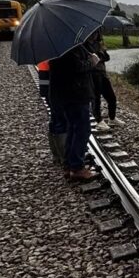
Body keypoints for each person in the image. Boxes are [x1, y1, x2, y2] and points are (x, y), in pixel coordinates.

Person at [48, 41, 100, 180]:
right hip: (76, 93)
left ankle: (69, 165)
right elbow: (75, 67)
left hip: (67, 94)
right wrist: (92, 62)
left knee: (72, 128)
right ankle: (77, 167)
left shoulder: (56, 45)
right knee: (82, 130)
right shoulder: (68, 45)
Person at [37, 59, 67, 166]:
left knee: (55, 119)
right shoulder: (53, 54)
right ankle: (64, 157)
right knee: (61, 121)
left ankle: (57, 155)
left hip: (47, 87)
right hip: (55, 89)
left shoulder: (42, 51)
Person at [87, 30, 117, 124]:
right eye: (92, 33)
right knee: (96, 98)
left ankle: (112, 118)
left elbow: (106, 57)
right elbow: (92, 59)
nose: (94, 35)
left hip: (102, 73)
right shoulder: (85, 46)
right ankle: (98, 120)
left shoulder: (99, 44)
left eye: (96, 33)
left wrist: (100, 55)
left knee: (111, 97)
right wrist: (100, 56)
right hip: (93, 74)